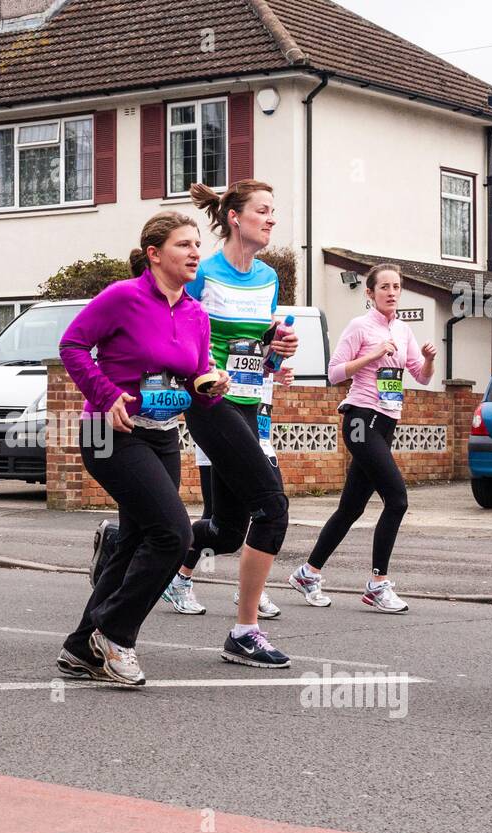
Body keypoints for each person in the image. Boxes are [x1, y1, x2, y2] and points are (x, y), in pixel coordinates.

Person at [57, 211, 226, 685]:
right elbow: (71, 345)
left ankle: (80, 648)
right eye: (183, 245)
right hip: (108, 431)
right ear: (154, 254)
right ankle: (114, 635)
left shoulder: (196, 312)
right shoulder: (122, 297)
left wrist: (209, 383)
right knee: (175, 533)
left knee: (136, 542)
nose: (195, 252)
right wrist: (106, 394)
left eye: (197, 244)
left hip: (162, 432)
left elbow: (193, 373)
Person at [151, 182, 297, 670]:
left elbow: (257, 351)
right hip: (209, 400)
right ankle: (245, 631)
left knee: (230, 530)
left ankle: (124, 539)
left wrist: (278, 350)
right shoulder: (203, 273)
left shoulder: (269, 278)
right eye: (262, 211)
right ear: (235, 218)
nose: (271, 219)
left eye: (273, 212)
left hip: (250, 403)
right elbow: (174, 329)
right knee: (273, 507)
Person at [289, 263, 435, 613]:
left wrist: (429, 360)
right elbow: (334, 372)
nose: (391, 292)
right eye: (383, 287)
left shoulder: (403, 331)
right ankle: (377, 584)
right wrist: (371, 354)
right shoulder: (360, 327)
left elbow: (422, 377)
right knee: (397, 499)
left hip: (387, 421)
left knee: (351, 507)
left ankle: (308, 572)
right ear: (370, 293)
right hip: (360, 418)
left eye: (396, 286)